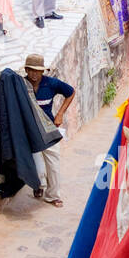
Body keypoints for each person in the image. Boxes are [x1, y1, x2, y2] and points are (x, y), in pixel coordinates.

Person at [24, 52, 74, 207]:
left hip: (48, 129)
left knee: (53, 163)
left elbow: (70, 92)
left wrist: (60, 114)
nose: (34, 74)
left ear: (42, 71)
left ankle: (53, 195)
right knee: (37, 167)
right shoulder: (21, 85)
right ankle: (38, 186)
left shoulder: (51, 84)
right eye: (31, 70)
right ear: (26, 70)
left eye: (37, 70)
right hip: (30, 131)